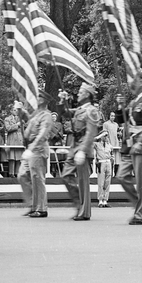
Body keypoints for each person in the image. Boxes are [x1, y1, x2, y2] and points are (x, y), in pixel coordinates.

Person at [116, 72, 142, 225]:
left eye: (135, 79)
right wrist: (120, 106)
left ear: (141, 81)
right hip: (129, 144)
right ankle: (140, 205)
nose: (132, 82)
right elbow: (121, 119)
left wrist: (141, 142)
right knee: (121, 176)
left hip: (141, 145)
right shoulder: (134, 102)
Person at [59, 83, 99, 221]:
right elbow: (64, 113)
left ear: (87, 94)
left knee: (83, 181)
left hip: (83, 147)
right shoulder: (79, 109)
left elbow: (90, 133)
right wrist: (62, 101)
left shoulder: (92, 110)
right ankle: (78, 205)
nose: (78, 94)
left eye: (81, 92)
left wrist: (82, 151)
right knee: (65, 175)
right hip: (73, 146)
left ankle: (84, 212)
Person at [19, 90, 54, 218]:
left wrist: (32, 147)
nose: (37, 98)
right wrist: (21, 112)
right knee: (22, 175)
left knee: (38, 179)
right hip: (30, 148)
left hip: (38, 148)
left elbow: (42, 134)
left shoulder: (46, 115)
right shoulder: (36, 114)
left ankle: (42, 208)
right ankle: (32, 205)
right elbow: (27, 119)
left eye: (39, 96)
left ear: (45, 100)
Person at [4, 102, 25, 177]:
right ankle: (11, 173)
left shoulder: (20, 119)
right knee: (12, 158)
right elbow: (8, 128)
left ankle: (17, 173)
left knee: (19, 158)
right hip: (12, 140)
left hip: (19, 140)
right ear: (11, 111)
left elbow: (23, 130)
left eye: (17, 110)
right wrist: (17, 125)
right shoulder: (7, 119)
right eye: (14, 110)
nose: (16, 111)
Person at [94, 130, 113, 208]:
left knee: (107, 182)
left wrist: (112, 162)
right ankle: (100, 200)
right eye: (104, 135)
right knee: (101, 182)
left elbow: (112, 155)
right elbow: (90, 142)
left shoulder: (109, 145)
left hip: (108, 163)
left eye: (107, 135)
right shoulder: (97, 144)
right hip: (101, 163)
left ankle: (105, 200)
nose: (106, 137)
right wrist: (99, 136)